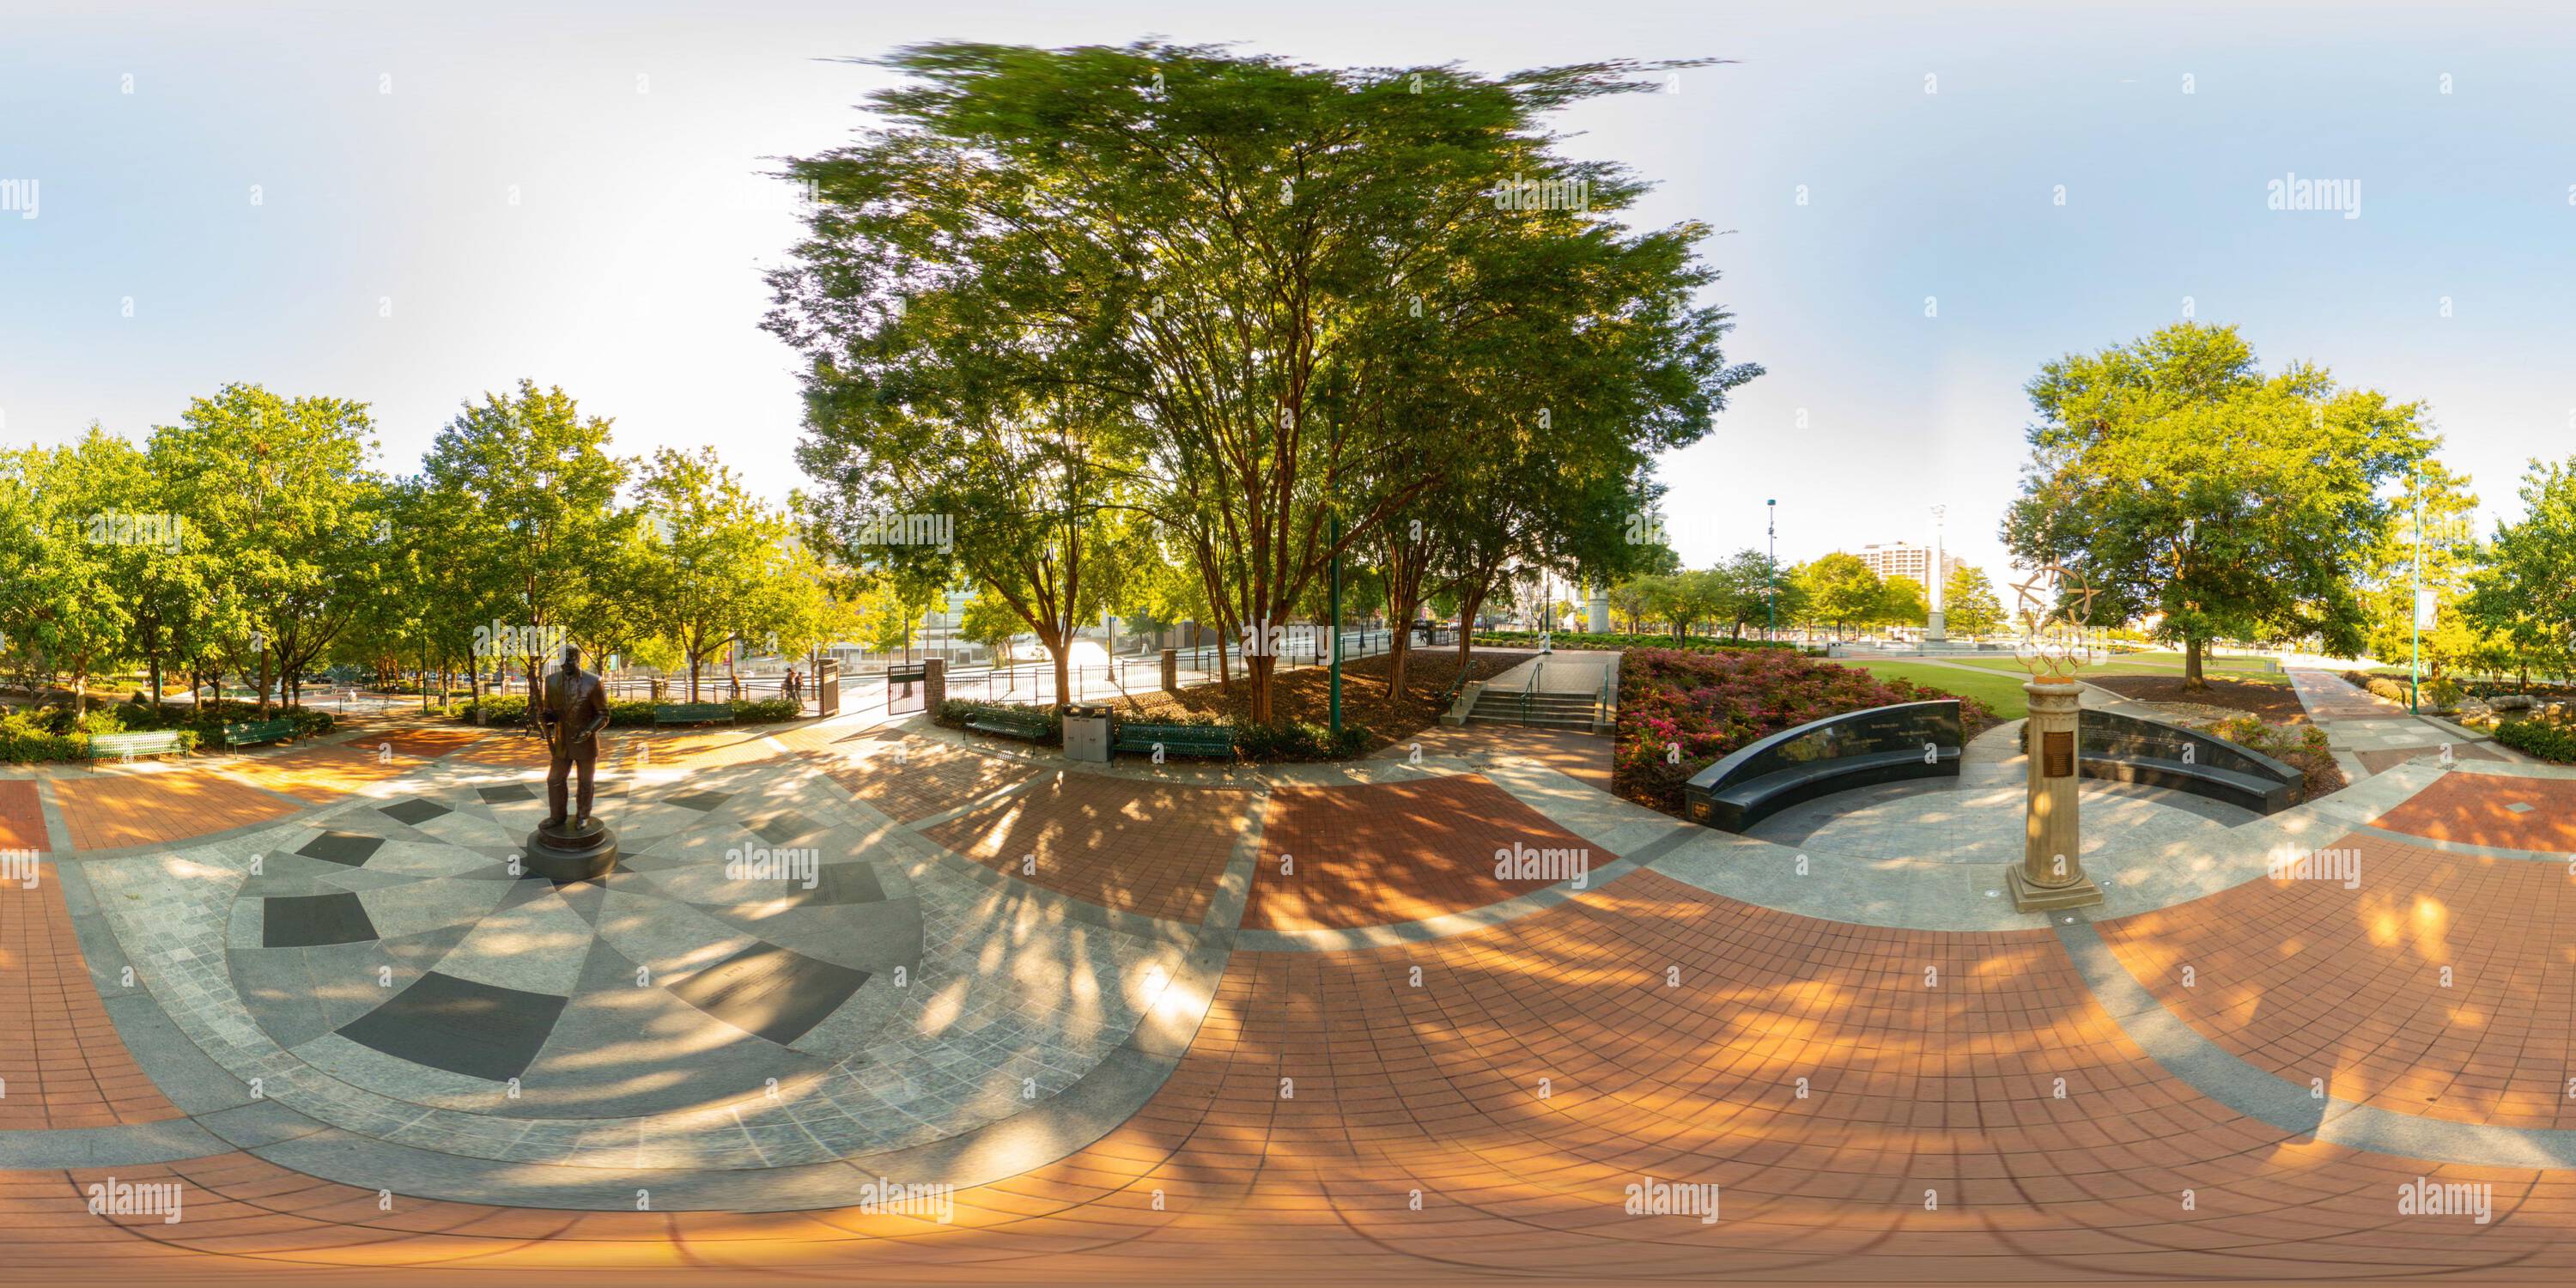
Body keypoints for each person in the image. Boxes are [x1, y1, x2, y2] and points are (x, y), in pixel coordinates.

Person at [537, 643, 611, 832]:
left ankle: (583, 815)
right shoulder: (551, 681)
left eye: (569, 660)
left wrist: (589, 730)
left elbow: (603, 714)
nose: (565, 664)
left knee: (585, 782)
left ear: (578, 659)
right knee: (554, 779)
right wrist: (547, 717)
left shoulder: (593, 681)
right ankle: (557, 816)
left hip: (585, 742)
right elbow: (551, 712)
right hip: (562, 743)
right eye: (562, 660)